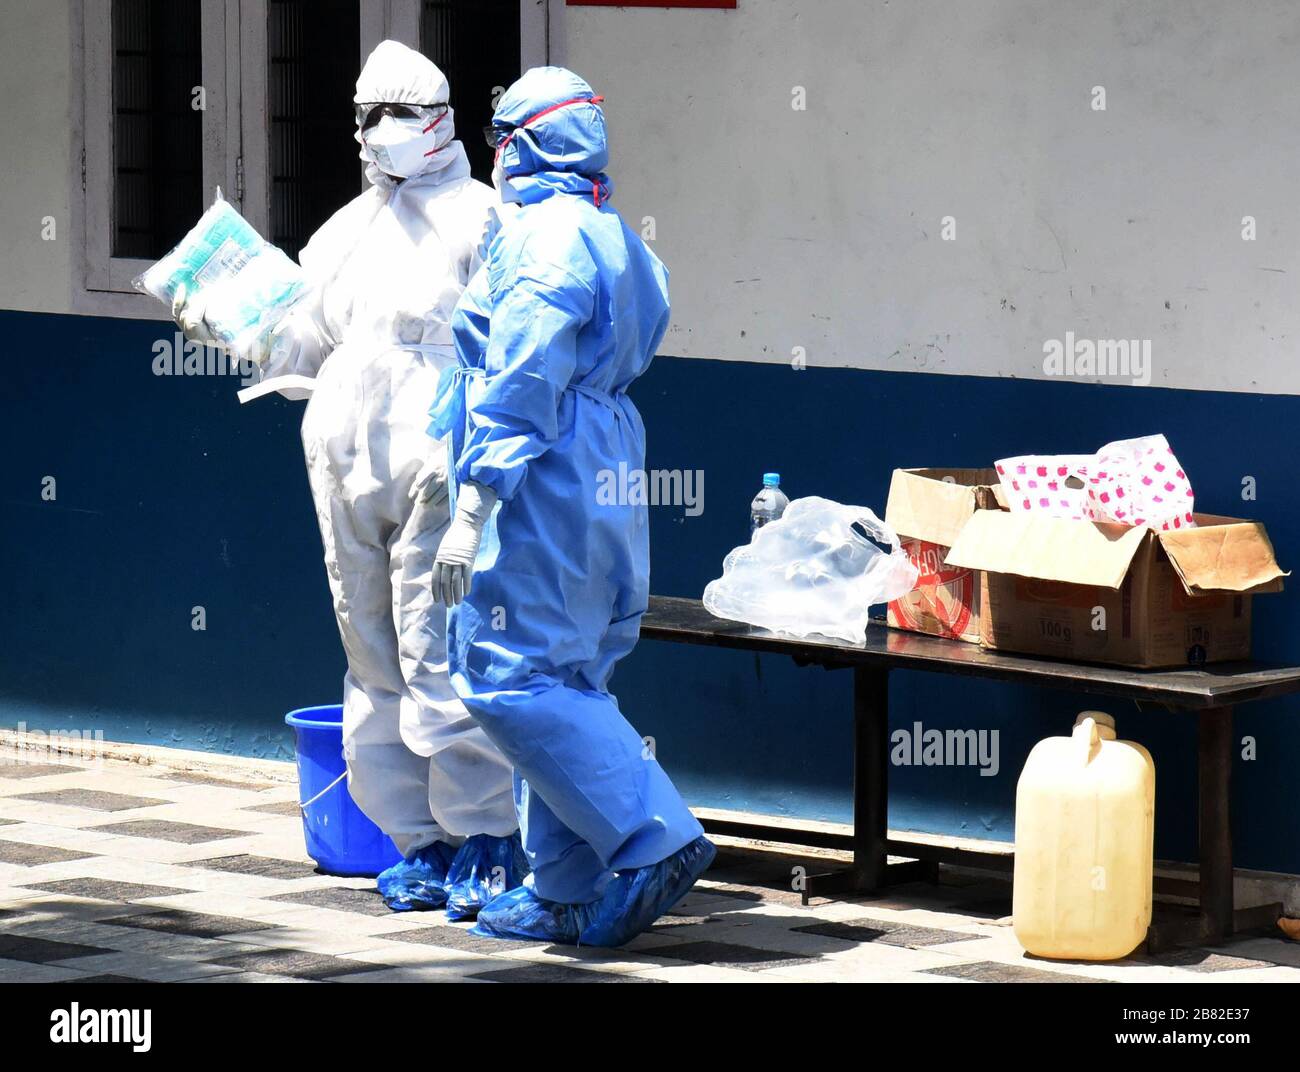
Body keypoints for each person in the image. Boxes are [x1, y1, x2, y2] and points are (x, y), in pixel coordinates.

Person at [172, 40, 524, 917]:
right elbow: (307, 342)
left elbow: (515, 348)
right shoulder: (345, 231)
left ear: (443, 120)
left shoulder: (485, 222)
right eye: (367, 114)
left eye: (399, 113)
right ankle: (419, 841)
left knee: (437, 644)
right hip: (343, 460)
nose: (380, 132)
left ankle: (485, 835)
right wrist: (228, 318)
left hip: (437, 462)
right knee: (370, 651)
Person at [427, 66, 714, 947]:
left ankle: (650, 836)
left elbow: (521, 378)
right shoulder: (617, 236)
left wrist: (474, 505)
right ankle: (565, 882)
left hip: (544, 466)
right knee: (569, 674)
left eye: (499, 141)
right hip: (605, 460)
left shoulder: (545, 240)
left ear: (522, 144)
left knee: (508, 673)